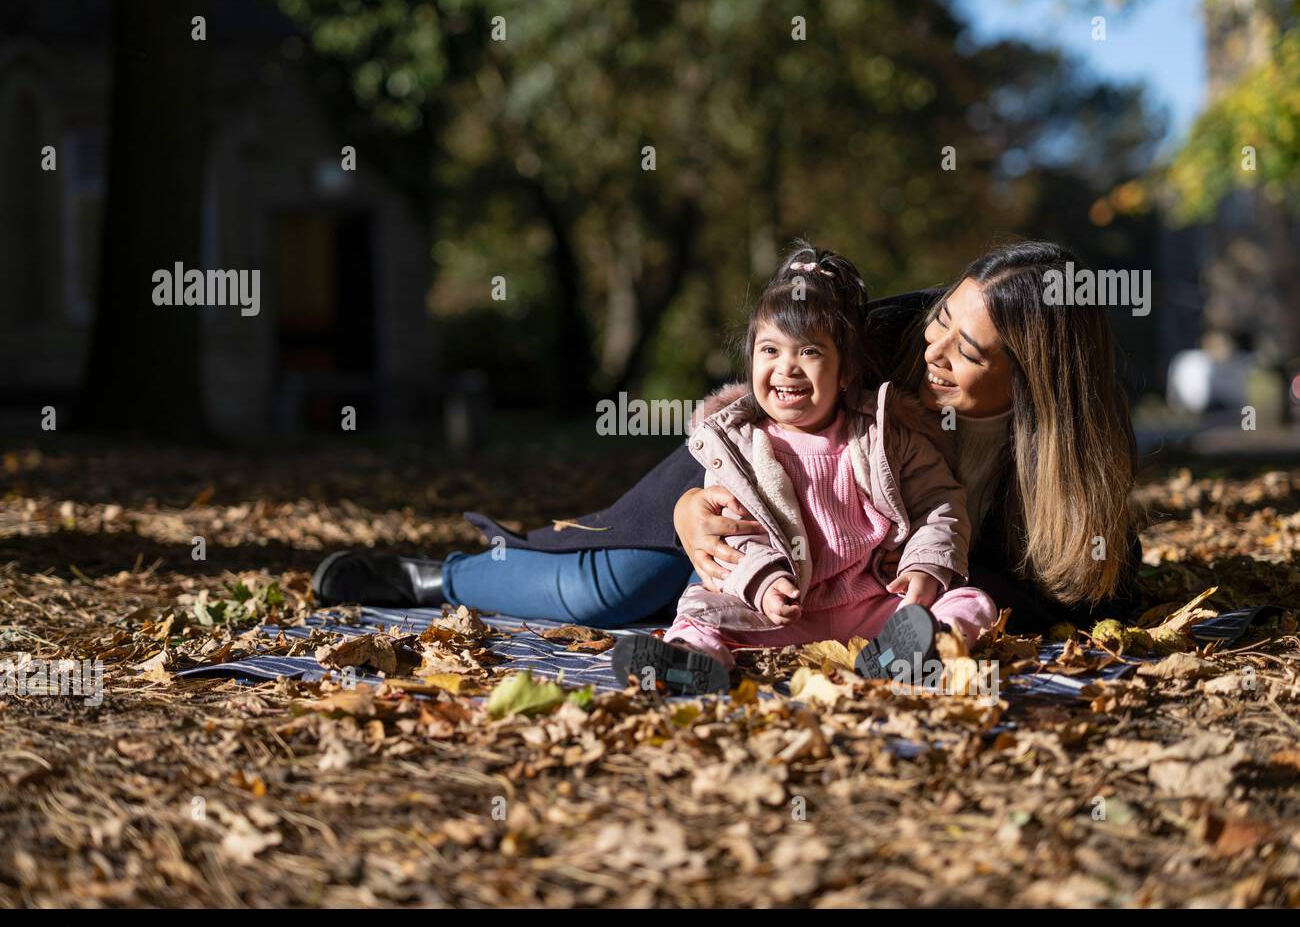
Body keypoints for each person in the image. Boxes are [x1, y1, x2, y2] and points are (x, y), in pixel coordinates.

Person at [312, 240, 1141, 633]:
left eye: (965, 350)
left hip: (853, 571)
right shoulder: (885, 337)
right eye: (942, 320)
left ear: (1036, 382)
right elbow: (759, 397)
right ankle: (441, 578)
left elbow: (1084, 586)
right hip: (758, 478)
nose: (931, 349)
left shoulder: (1069, 466)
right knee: (617, 590)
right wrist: (684, 512)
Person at [608, 243, 998, 694]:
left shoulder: (887, 434)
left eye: (809, 352)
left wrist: (925, 566)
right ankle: (689, 662)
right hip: (777, 610)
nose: (785, 368)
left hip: (871, 602)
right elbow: (732, 535)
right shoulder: (739, 446)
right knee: (701, 610)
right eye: (770, 350)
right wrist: (763, 582)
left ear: (846, 370)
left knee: (970, 601)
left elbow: (938, 504)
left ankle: (916, 651)